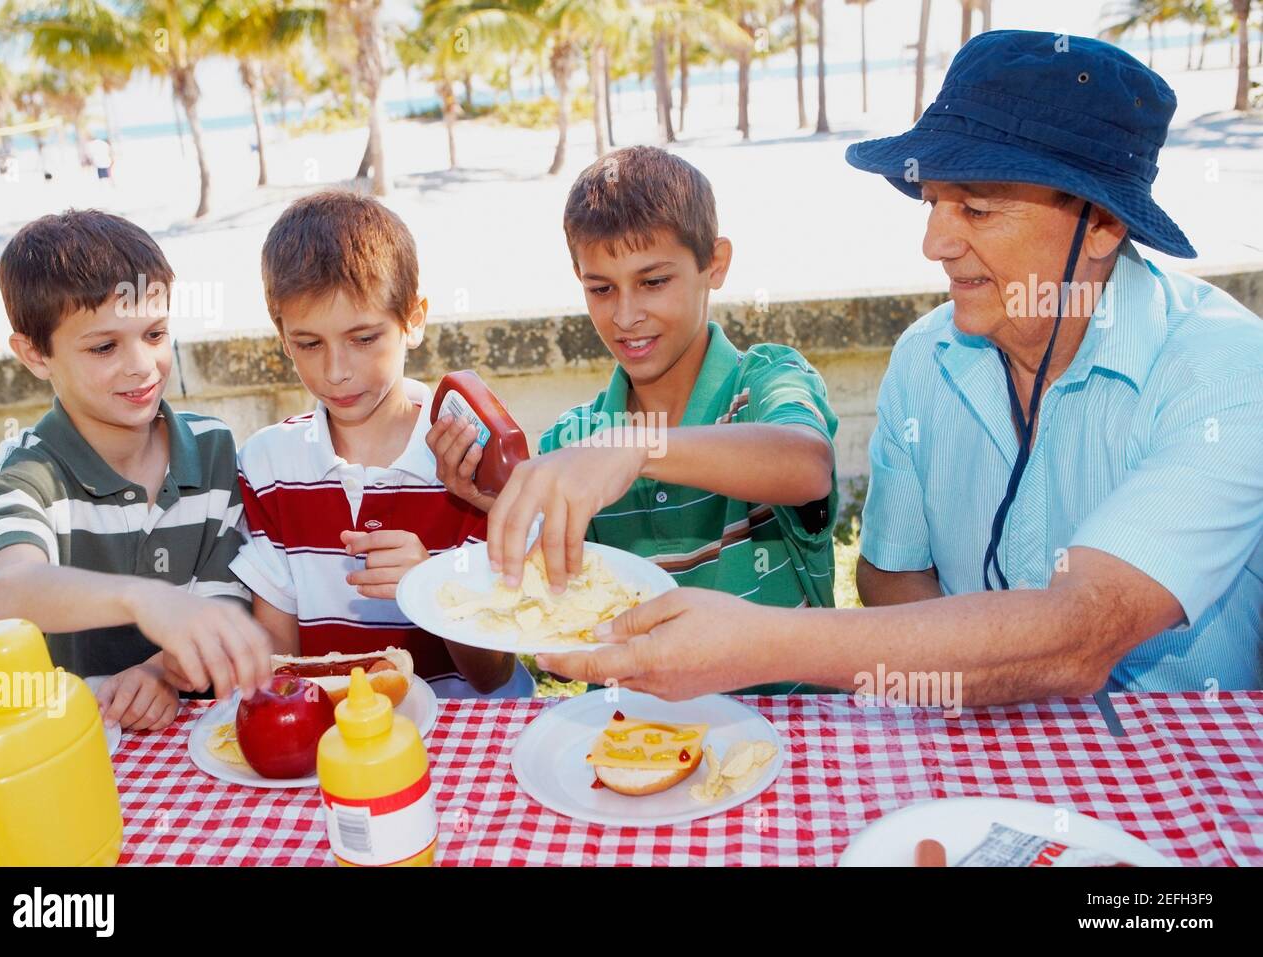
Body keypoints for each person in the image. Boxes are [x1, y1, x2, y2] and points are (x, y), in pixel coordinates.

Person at [533, 31, 1263, 703]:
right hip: (975, 750)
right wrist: (975, 677)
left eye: (975, 209)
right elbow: (889, 574)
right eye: (933, 202)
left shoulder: (1225, 372)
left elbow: (1082, 633)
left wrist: (757, 644)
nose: (934, 243)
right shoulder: (924, 359)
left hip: (1183, 773)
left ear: (1102, 223)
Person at [429, 146, 839, 694]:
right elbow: (528, 618)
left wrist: (637, 445)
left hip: (793, 735)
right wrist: (497, 503)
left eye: (653, 281)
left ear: (714, 264)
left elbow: (807, 465)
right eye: (601, 288)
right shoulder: (574, 444)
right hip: (630, 736)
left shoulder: (765, 380)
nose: (625, 316)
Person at [0, 210, 272, 731]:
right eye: (105, 346)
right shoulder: (26, 469)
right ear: (34, 354)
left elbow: (223, 597)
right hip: (71, 740)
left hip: (190, 739)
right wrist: (144, 599)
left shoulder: (212, 450)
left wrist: (161, 669)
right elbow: (12, 590)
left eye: (155, 334)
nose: (142, 365)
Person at [221, 190, 517, 697]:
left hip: (460, 737)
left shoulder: (470, 461)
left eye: (363, 338)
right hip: (337, 739)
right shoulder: (267, 465)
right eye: (309, 344)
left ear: (414, 319)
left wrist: (433, 587)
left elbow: (493, 675)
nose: (336, 371)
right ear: (282, 335)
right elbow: (281, 669)